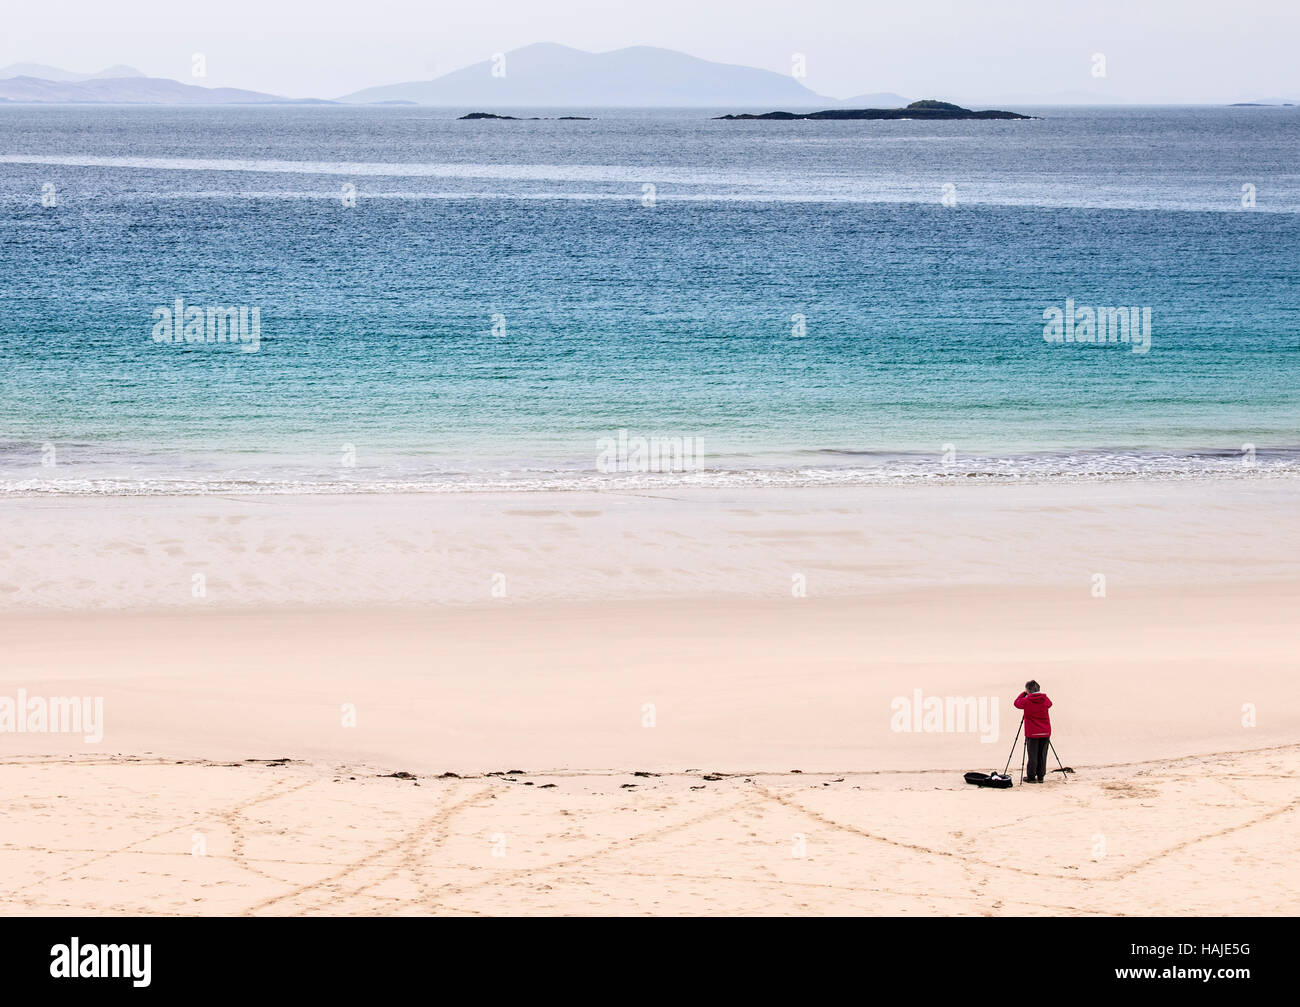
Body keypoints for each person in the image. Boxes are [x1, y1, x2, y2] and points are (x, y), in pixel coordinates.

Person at [1014, 681, 1052, 783]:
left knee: (1032, 755)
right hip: (1045, 732)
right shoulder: (1044, 699)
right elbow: (1050, 704)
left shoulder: (1026, 700)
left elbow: (1016, 703)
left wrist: (1023, 694)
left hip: (1032, 732)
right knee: (1042, 754)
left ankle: (1031, 777)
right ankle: (1041, 777)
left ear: (1028, 690)